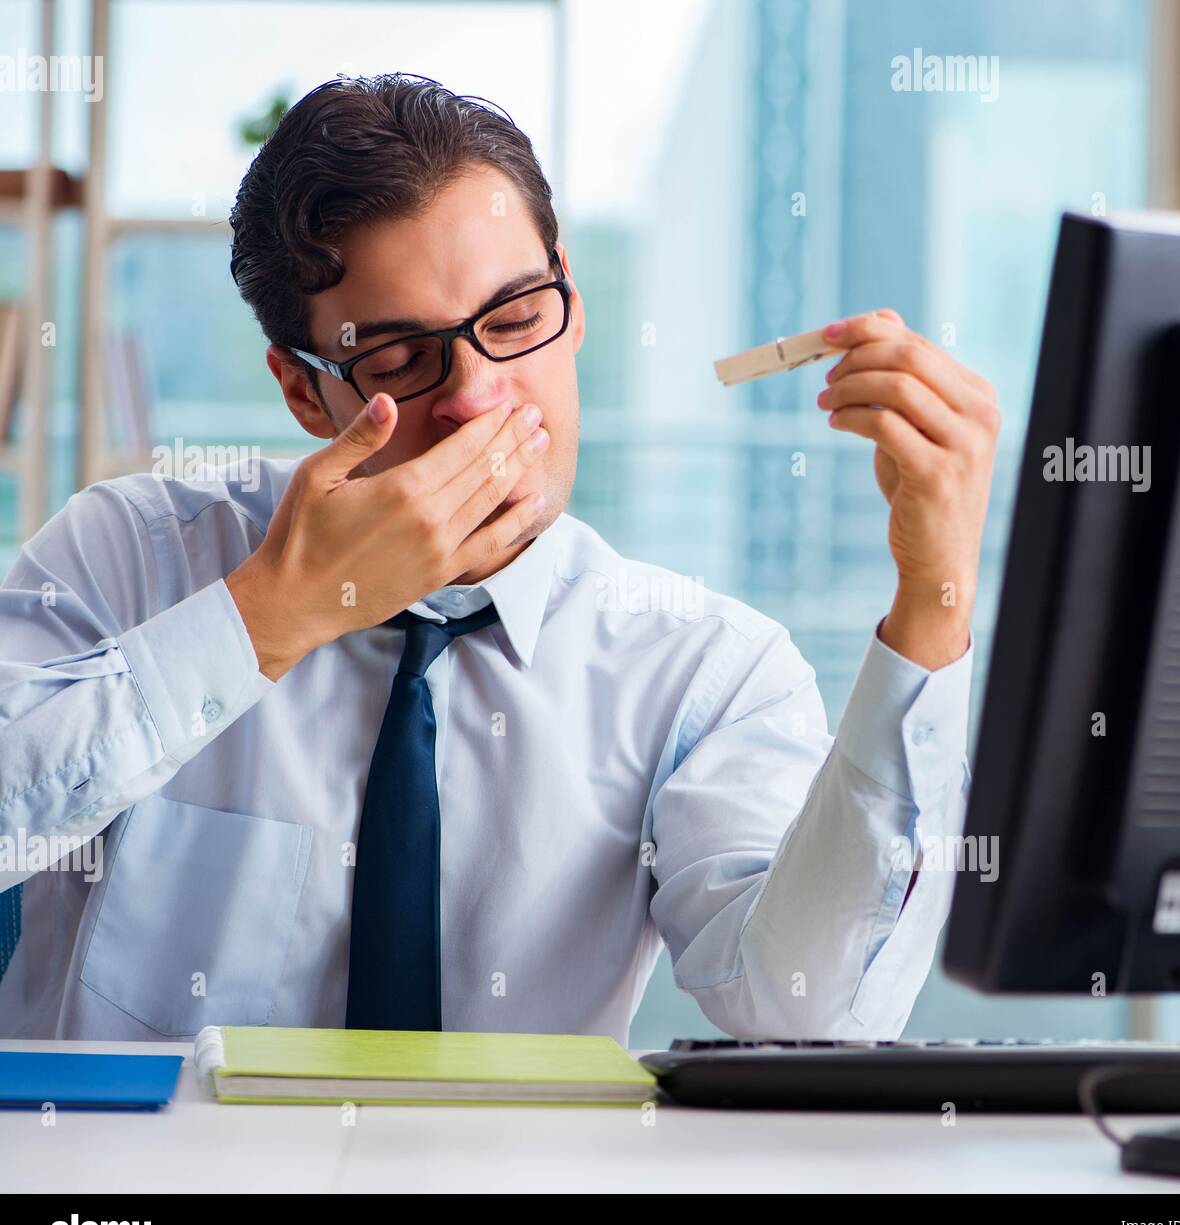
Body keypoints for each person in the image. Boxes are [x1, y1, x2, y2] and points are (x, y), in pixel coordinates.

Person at [0, 74, 999, 1043]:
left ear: (572, 299)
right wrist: (270, 617)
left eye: (517, 320)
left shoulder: (701, 672)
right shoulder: (125, 559)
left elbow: (808, 1007)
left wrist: (931, 598)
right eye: (396, 361)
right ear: (305, 396)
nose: (478, 399)